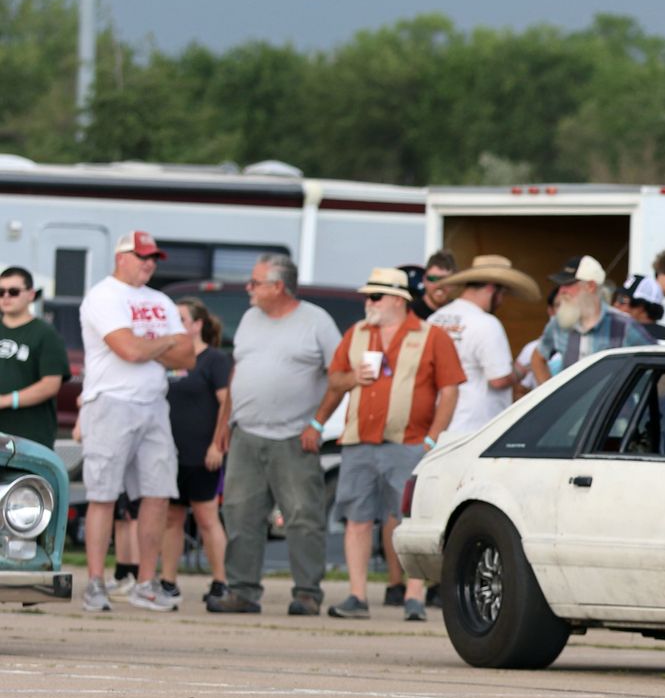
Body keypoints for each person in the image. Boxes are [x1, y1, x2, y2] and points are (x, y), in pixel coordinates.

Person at [312, 267, 464, 621]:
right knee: (357, 518)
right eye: (368, 296)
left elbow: (450, 390)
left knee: (409, 520)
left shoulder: (431, 335)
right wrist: (353, 378)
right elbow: (334, 380)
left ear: (398, 299)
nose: (369, 302)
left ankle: (414, 596)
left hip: (409, 441)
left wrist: (433, 438)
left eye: (375, 296)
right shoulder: (357, 333)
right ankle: (357, 595)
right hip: (359, 439)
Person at [208, 253, 344, 616]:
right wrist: (223, 424)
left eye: (255, 283)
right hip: (246, 434)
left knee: (303, 516)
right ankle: (242, 591)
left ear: (279, 286)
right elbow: (238, 373)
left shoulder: (316, 322)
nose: (248, 289)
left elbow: (339, 377)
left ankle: (307, 594)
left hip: (294, 437)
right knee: (240, 514)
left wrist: (317, 424)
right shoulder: (250, 319)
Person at [76, 231, 193, 614]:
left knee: (158, 495)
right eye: (142, 256)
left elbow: (187, 357)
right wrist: (164, 342)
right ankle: (95, 582)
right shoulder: (103, 295)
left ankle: (145, 583)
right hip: (110, 402)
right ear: (121, 257)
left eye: (153, 258)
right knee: (103, 495)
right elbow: (128, 350)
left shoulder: (160, 300)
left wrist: (147, 345)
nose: (149, 264)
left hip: (154, 404)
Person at [160, 299, 231, 606]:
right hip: (170, 453)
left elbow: (226, 404)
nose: (175, 324)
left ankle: (220, 581)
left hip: (203, 454)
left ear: (198, 324)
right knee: (171, 517)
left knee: (206, 517)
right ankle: (168, 581)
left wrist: (218, 444)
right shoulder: (168, 359)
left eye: (181, 319)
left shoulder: (214, 360)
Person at [429, 254, 539, 436]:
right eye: (502, 293)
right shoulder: (486, 323)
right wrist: (521, 369)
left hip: (437, 427)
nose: (501, 301)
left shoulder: (435, 318)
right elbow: (498, 380)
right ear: (491, 288)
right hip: (474, 430)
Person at [529, 255, 651, 385]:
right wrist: (551, 393)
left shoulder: (623, 325)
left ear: (591, 286)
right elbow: (537, 359)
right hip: (574, 399)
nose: (561, 291)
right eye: (561, 285)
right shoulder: (558, 323)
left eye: (568, 284)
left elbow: (656, 362)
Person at [0, 266, 70, 450]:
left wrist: (6, 400)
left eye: (13, 291)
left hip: (29, 438)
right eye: (1, 292)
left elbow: (50, 384)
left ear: (31, 294)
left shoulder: (45, 333)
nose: (6, 296)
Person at [611, 274, 665, 342]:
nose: (616, 304)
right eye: (617, 298)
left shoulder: (619, 337)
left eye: (622, 300)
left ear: (641, 306)